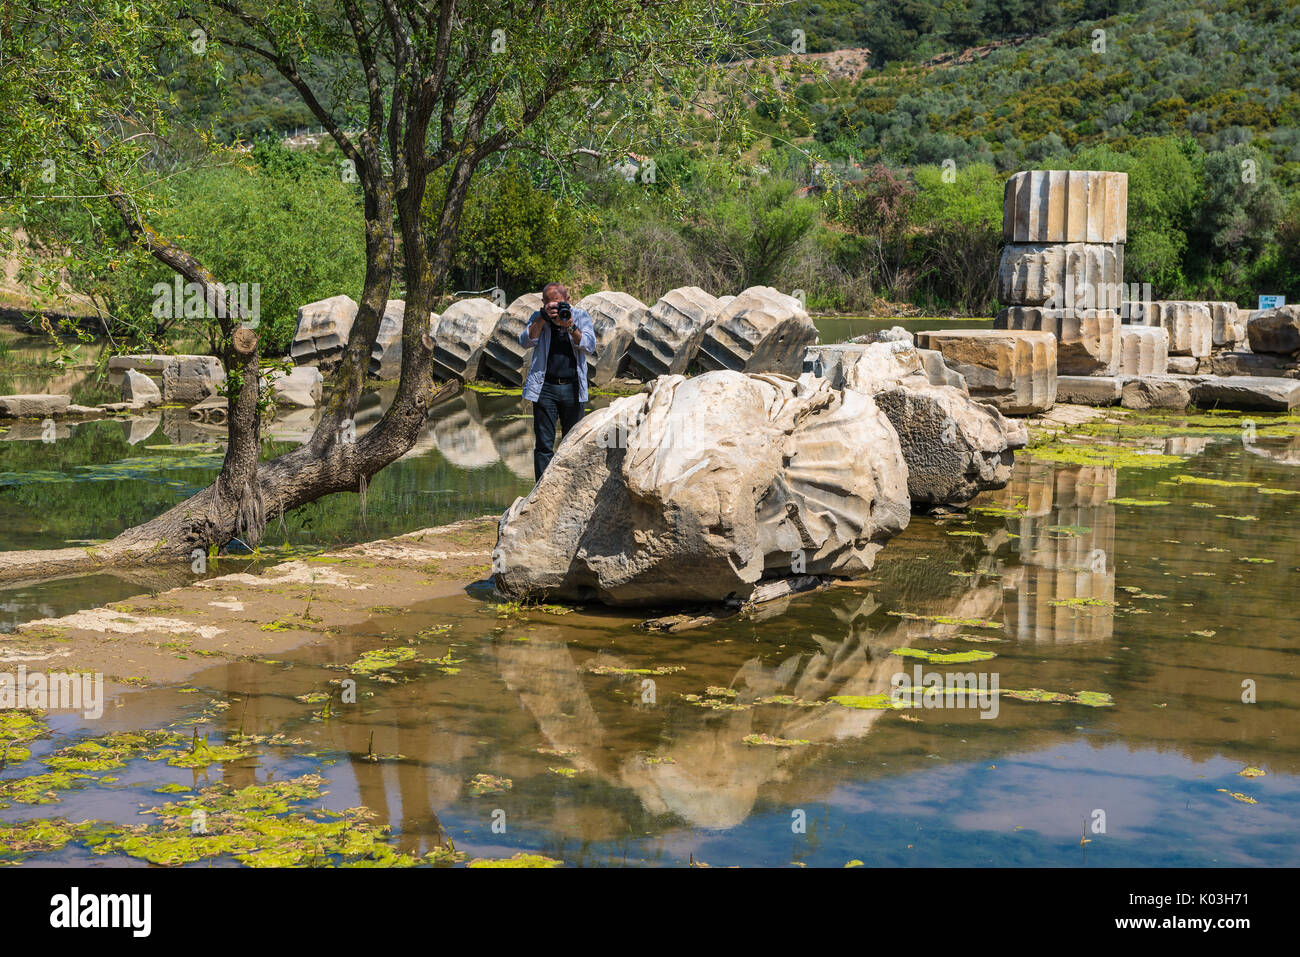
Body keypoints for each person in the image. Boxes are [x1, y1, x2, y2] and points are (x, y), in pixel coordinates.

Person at [519, 281, 597, 480]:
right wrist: (543, 319)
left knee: (573, 443)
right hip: (545, 388)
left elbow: (589, 346)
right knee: (544, 445)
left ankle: (568, 488)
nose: (555, 308)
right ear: (543, 302)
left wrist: (570, 326)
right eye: (549, 303)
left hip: (573, 388)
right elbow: (525, 341)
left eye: (558, 303)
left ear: (568, 300)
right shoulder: (539, 318)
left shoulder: (579, 316)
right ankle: (541, 492)